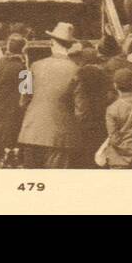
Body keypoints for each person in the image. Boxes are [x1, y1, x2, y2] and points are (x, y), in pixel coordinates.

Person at [18, 21, 82, 169]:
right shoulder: (77, 70)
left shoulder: (34, 65)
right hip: (60, 136)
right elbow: (80, 109)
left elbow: (22, 100)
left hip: (30, 132)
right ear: (70, 45)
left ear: (51, 42)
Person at [0, 34, 28, 168]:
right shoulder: (22, 66)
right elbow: (27, 90)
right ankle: (7, 158)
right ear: (22, 49)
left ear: (8, 46)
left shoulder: (1, 62)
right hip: (12, 105)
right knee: (9, 131)